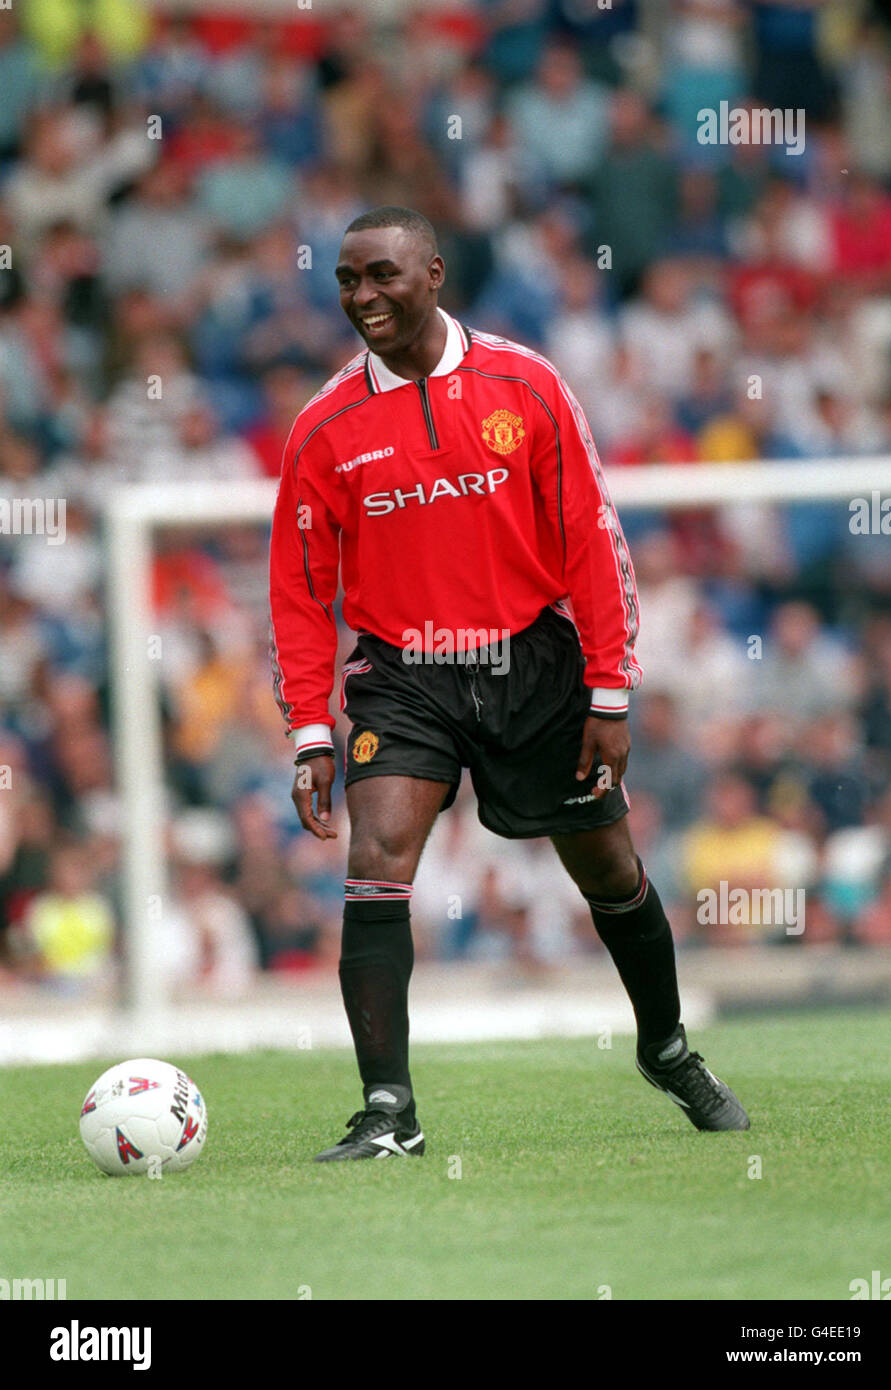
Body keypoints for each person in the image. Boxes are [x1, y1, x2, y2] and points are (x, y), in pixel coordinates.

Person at [269, 206, 749, 1161]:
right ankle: (388, 1111)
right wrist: (310, 732)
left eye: (381, 275)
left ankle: (665, 1048)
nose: (362, 296)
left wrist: (609, 691)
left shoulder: (524, 386)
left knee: (608, 871)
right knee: (379, 858)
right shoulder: (324, 427)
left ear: (434, 274)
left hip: (532, 665)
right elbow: (297, 590)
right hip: (403, 674)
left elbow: (591, 540)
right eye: (346, 280)